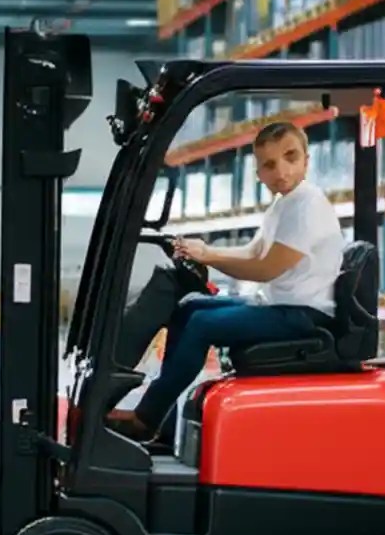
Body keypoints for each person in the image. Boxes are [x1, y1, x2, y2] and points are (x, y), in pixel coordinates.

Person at [107, 121, 345, 440]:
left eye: (291, 157)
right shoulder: (284, 203)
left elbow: (265, 269)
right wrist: (205, 250)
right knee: (188, 308)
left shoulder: (306, 205)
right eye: (270, 164)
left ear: (306, 159)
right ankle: (158, 418)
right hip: (281, 305)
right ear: (258, 172)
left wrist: (208, 257)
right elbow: (253, 251)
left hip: (303, 315)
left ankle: (146, 418)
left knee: (201, 325)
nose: (282, 171)